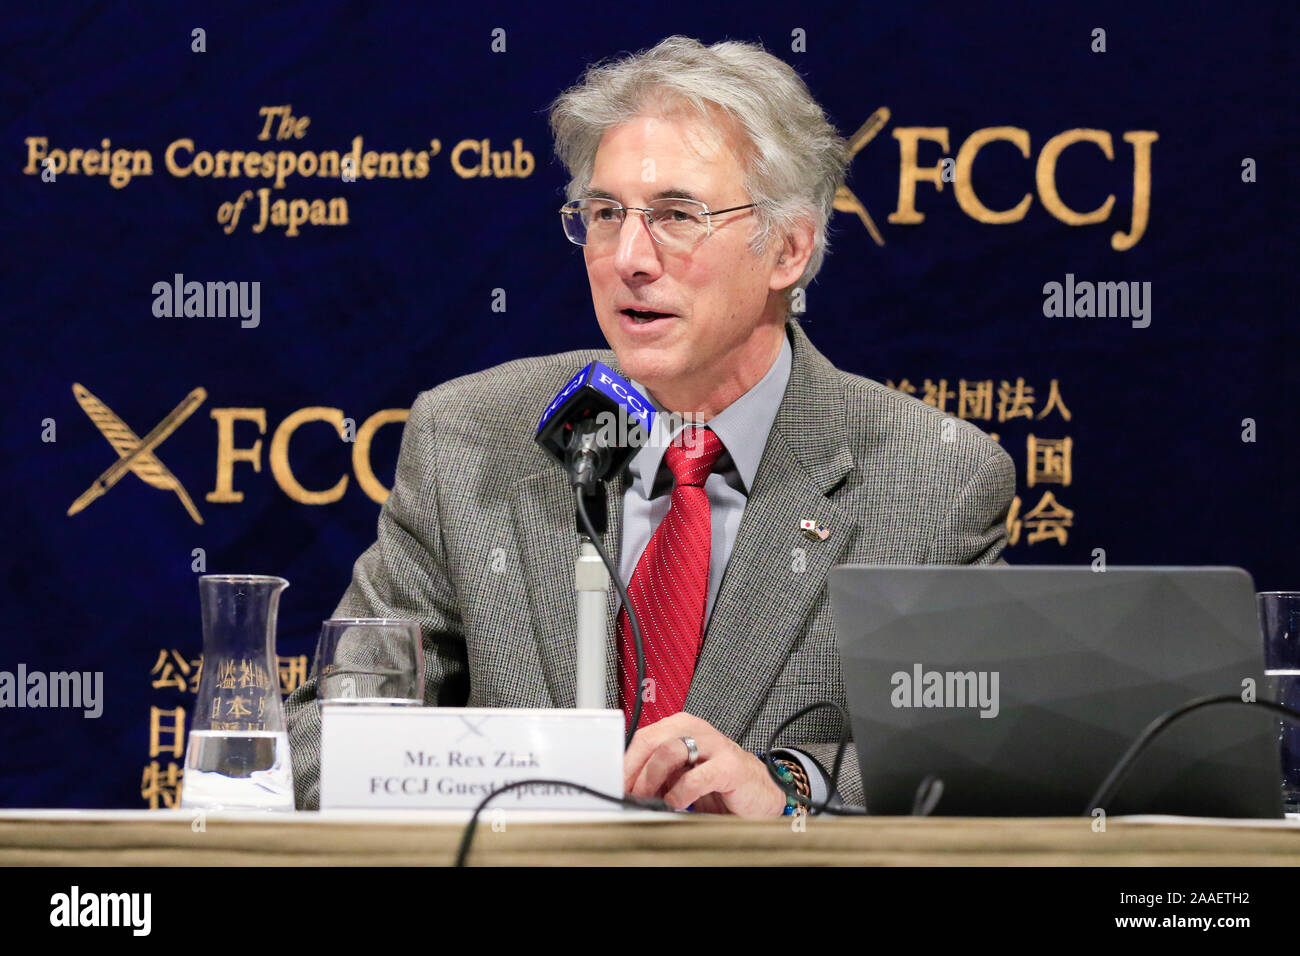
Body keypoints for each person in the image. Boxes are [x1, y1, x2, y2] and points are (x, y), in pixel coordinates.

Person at [285, 36, 1015, 814]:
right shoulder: (467, 441)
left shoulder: (931, 479)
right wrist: (528, 778)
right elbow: (323, 744)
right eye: (605, 214)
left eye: (676, 215)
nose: (629, 256)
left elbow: (977, 764)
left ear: (789, 249)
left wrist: (790, 785)